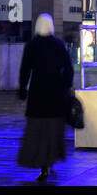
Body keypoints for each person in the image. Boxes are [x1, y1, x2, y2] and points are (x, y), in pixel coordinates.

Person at [17, 13, 74, 184]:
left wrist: (22, 92)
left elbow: (25, 71)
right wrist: (65, 86)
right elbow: (69, 70)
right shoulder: (58, 45)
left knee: (38, 130)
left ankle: (43, 166)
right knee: (52, 131)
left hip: (37, 94)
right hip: (55, 95)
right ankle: (50, 161)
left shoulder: (31, 46)